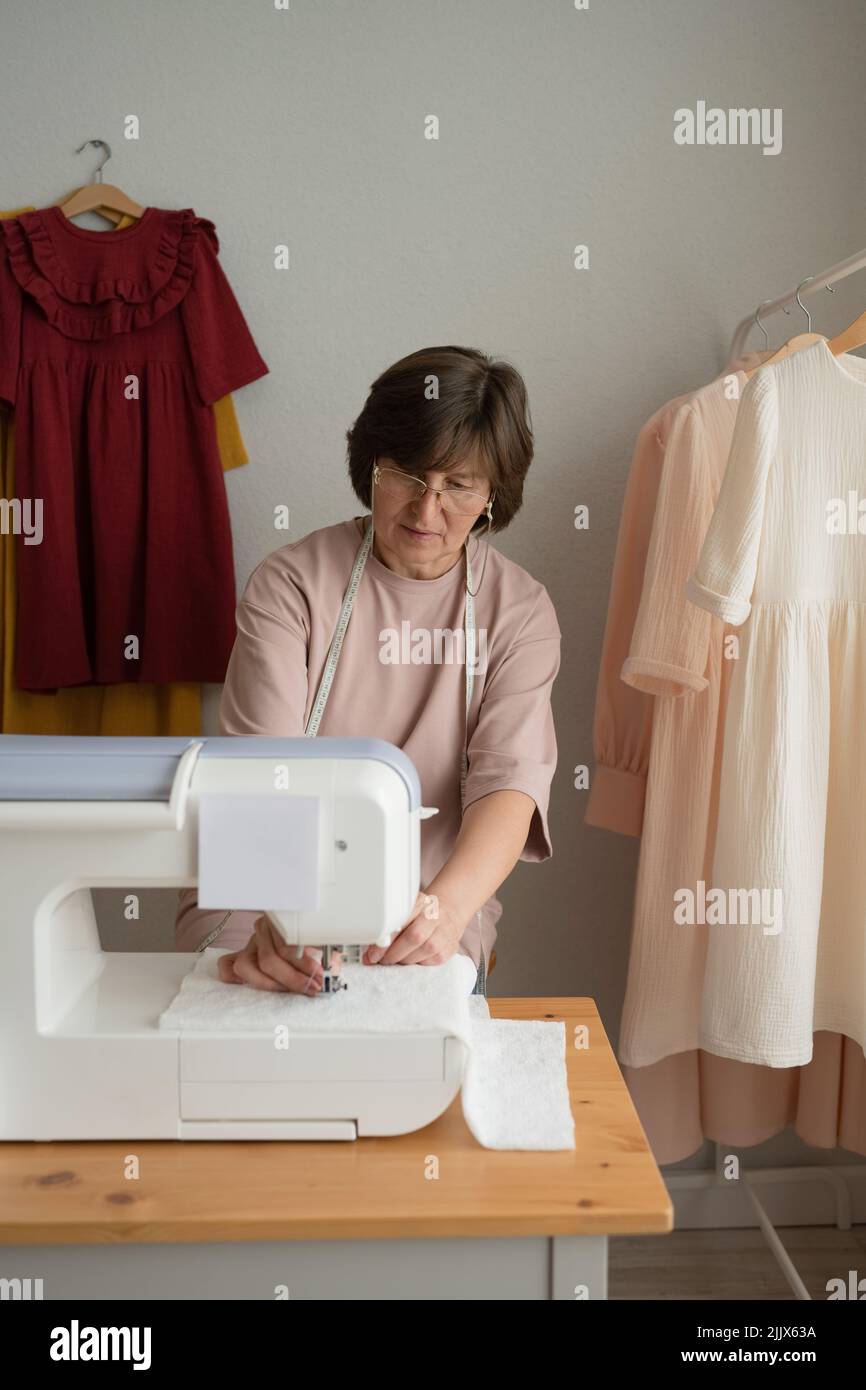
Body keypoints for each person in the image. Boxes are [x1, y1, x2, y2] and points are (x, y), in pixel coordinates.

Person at [175, 345, 561, 996]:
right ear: (371, 466)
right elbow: (262, 772)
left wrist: (443, 913)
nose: (426, 511)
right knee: (250, 1033)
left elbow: (509, 785)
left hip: (429, 899)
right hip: (264, 886)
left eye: (457, 486)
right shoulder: (291, 585)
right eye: (407, 474)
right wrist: (284, 917)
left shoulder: (519, 612)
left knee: (410, 1061)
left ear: (493, 494)